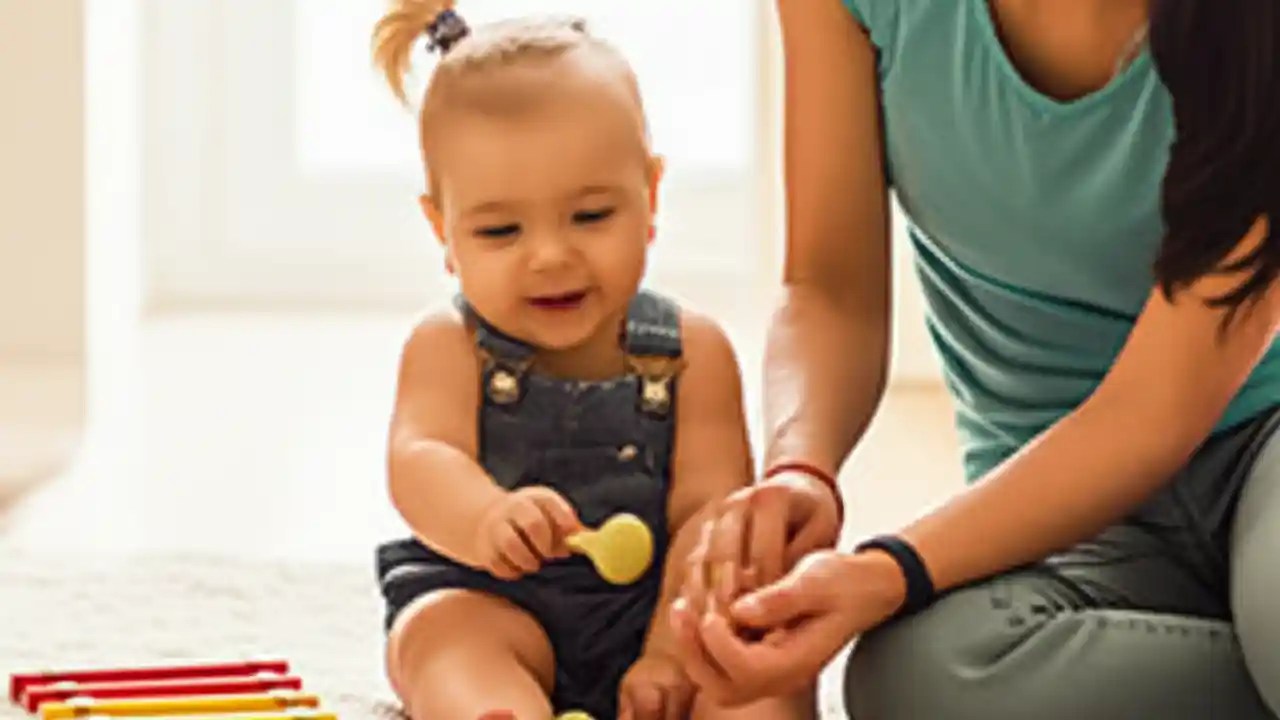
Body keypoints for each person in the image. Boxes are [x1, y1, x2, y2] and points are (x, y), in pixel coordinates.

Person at [668, 0, 1280, 718]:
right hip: (1043, 497)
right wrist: (801, 469)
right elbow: (831, 289)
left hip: (1263, 439)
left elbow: (1156, 409)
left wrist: (888, 569)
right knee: (919, 677)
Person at [368, 2, 814, 719]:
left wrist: (672, 648)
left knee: (764, 671)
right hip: (492, 597)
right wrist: (485, 518)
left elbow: (708, 516)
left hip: (659, 607)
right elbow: (418, 460)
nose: (551, 256)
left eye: (591, 216)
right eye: (501, 230)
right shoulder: (448, 346)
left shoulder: (691, 352)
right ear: (443, 231)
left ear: (651, 197)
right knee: (442, 639)